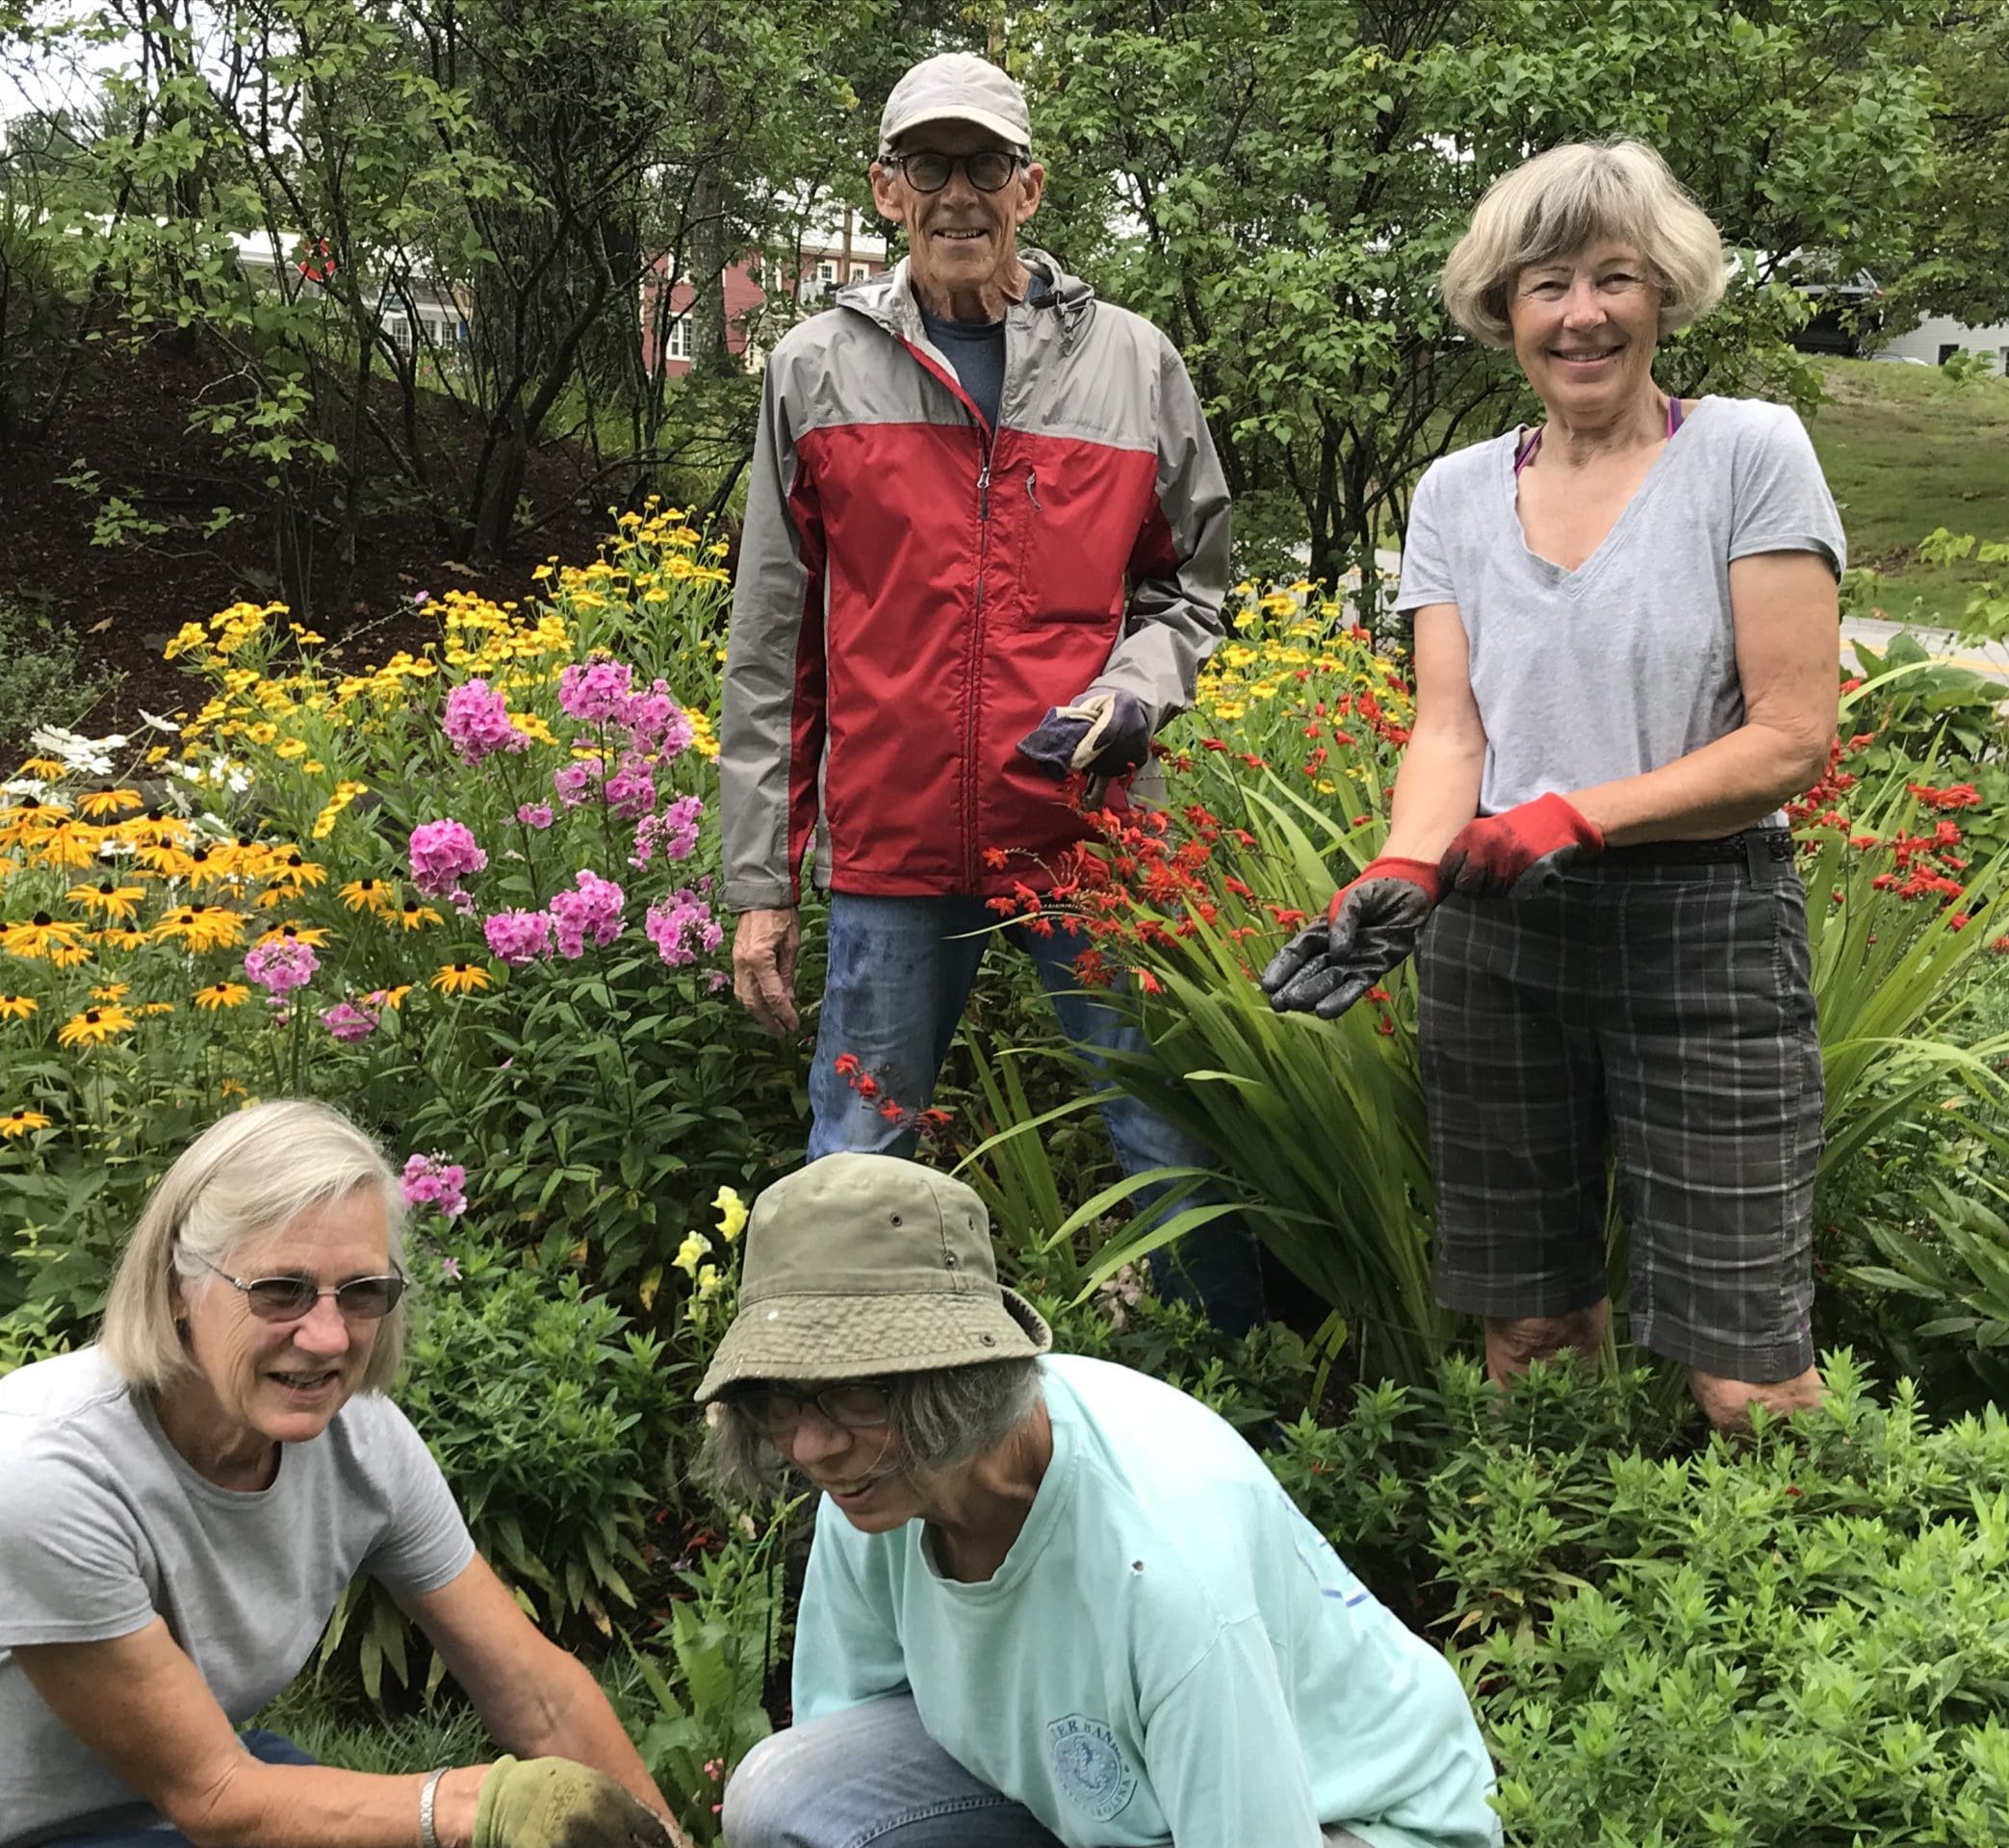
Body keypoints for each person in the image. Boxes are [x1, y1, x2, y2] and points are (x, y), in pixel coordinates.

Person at [1257, 140, 1844, 1433]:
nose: (1582, 313)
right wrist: (1410, 863)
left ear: (1664, 295)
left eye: (1614, 278)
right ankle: (1554, 1593)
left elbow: (1791, 737)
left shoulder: (1750, 455)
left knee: (1749, 1371)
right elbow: (1450, 730)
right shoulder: (1458, 494)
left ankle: (1779, 1610)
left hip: (1707, 930)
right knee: (1528, 1325)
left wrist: (1579, 813)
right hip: (1499, 934)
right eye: (1547, 284)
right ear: (1503, 311)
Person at [718, 51, 1262, 1329]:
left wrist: (1138, 688)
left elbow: (1197, 585)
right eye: (928, 166)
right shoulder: (814, 369)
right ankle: (835, 1428)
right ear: (885, 189)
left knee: (1168, 1134)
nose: (956, 192)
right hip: (896, 851)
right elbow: (772, 645)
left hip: (1087, 836)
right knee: (859, 1154)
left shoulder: (1134, 366)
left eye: (982, 167)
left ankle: (1238, 1408)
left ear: (1031, 187)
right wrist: (759, 884)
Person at [0, 1100, 676, 1848]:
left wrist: (664, 1839)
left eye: (364, 1292)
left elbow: (538, 1693)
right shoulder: (44, 1472)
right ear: (180, 1284)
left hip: (147, 1805)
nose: (330, 1337)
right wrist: (468, 1806)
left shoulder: (363, 1442)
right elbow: (217, 1799)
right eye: (281, 1292)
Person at [698, 1153, 1503, 1848]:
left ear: (959, 1378)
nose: (809, 1447)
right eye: (784, 1399)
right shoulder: (878, 1485)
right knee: (785, 1793)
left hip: (1353, 1819)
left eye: (848, 1395)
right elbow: (844, 1761)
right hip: (1115, 1811)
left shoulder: (1163, 1565)